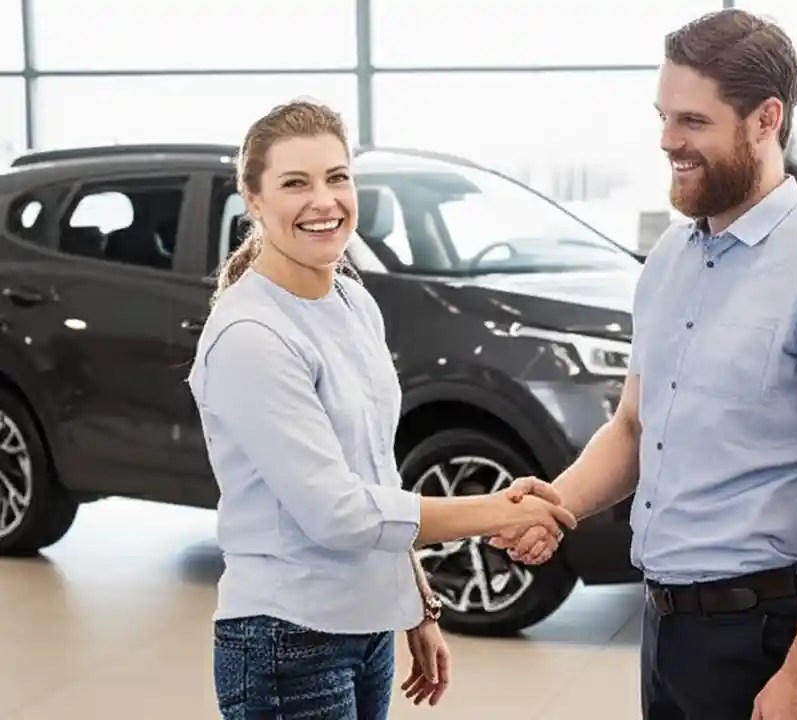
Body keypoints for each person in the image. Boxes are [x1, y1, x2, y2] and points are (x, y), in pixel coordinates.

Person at [492, 9, 797, 720]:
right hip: (666, 625)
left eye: (693, 121)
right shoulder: (670, 260)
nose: (667, 140)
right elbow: (633, 426)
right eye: (663, 117)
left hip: (763, 633)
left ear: (765, 119)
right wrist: (557, 507)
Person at [187, 99, 577, 720]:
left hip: (364, 629)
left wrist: (415, 603)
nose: (324, 201)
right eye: (296, 183)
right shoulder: (251, 336)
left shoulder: (352, 302)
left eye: (337, 177)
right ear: (253, 201)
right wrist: (497, 511)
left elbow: (375, 478)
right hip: (288, 635)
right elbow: (337, 513)